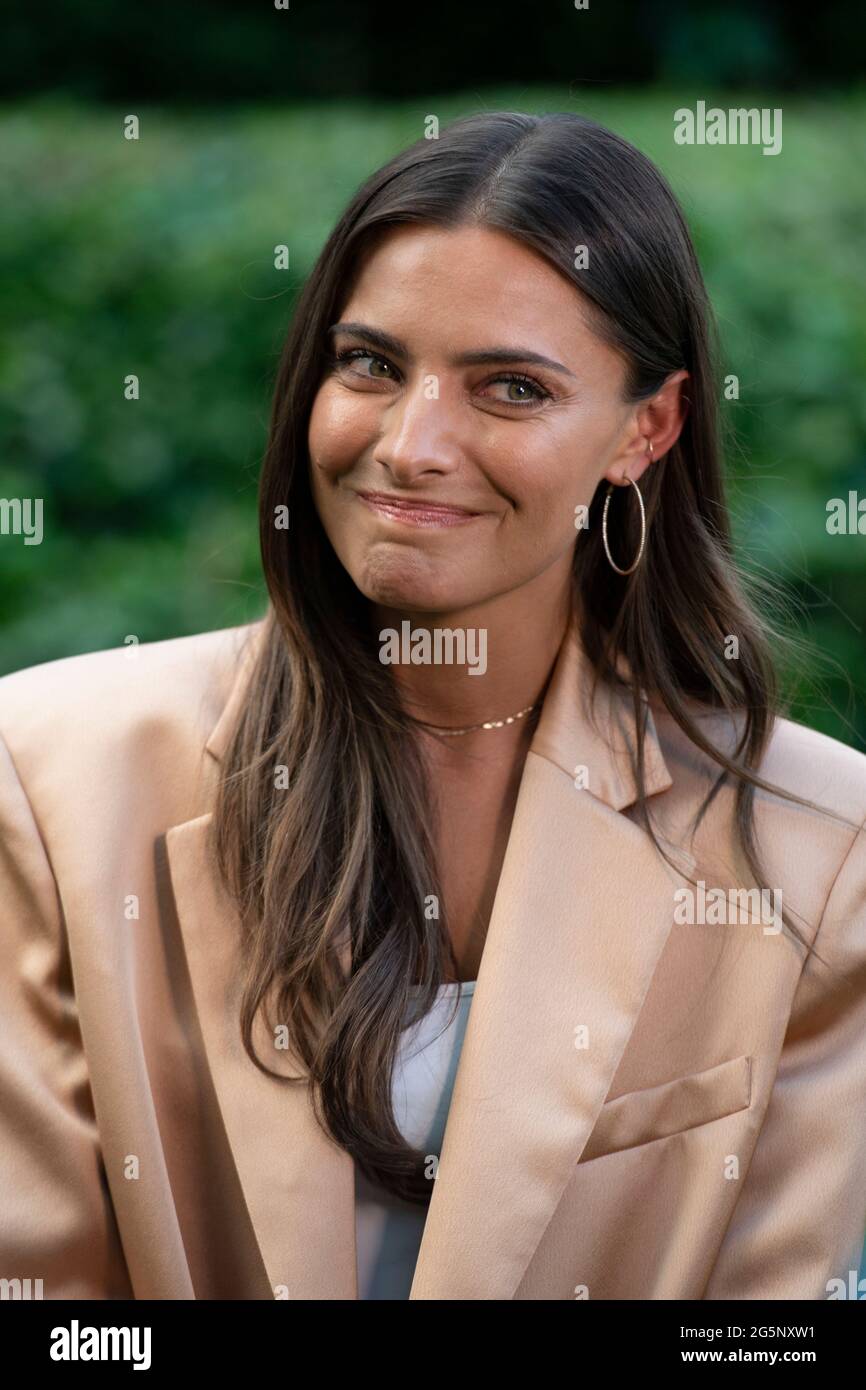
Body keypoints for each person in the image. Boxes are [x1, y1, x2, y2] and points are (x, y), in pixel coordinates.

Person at [1, 111, 864, 1302]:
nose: (411, 444)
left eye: (508, 387)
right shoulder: (48, 778)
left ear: (644, 428)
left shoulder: (822, 852)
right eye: (369, 365)